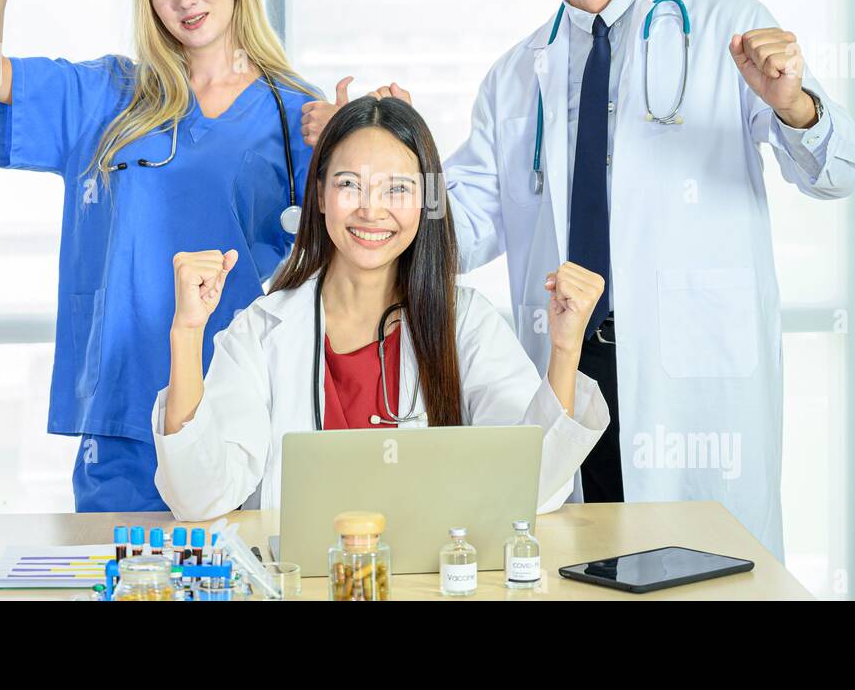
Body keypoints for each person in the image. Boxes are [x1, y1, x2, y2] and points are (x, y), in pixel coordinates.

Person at [304, 0, 855, 561]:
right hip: (570, 362)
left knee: (707, 567)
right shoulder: (516, 76)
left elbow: (841, 173)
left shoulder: (727, 26)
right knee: (581, 562)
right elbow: (462, 228)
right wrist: (397, 163)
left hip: (691, 370)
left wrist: (796, 105)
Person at [0, 0, 324, 512]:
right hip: (124, 411)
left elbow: (368, 245)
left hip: (241, 409)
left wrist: (362, 136)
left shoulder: (299, 115)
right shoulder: (111, 98)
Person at [150, 96, 610, 520]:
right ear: (321, 194)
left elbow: (529, 487)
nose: (371, 211)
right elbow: (201, 496)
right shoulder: (263, 330)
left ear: (427, 200)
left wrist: (565, 350)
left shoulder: (464, 321)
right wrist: (187, 333)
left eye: (396, 189)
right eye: (350, 184)